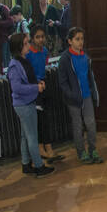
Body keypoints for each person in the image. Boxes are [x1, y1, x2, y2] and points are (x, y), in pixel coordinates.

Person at [8, 30, 56, 178]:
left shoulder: (23, 60)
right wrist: (36, 87)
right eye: (26, 43)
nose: (29, 45)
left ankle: (26, 163)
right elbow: (17, 88)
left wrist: (37, 82)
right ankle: (38, 166)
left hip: (28, 101)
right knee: (32, 136)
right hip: (24, 104)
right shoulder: (14, 65)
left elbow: (29, 78)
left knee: (25, 135)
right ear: (19, 47)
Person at [59, 26, 103, 164]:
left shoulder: (85, 56)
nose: (80, 42)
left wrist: (93, 92)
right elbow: (63, 81)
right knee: (78, 126)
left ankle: (93, 149)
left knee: (91, 123)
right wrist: (71, 94)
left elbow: (90, 76)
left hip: (87, 95)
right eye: (77, 39)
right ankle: (81, 151)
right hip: (74, 98)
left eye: (82, 39)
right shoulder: (65, 58)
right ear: (70, 41)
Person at [26, 25, 63, 163]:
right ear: (32, 38)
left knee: (46, 118)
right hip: (33, 87)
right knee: (39, 120)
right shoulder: (28, 53)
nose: (41, 40)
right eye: (37, 37)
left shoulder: (45, 51)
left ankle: (49, 148)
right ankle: (41, 148)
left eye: (42, 37)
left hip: (44, 84)